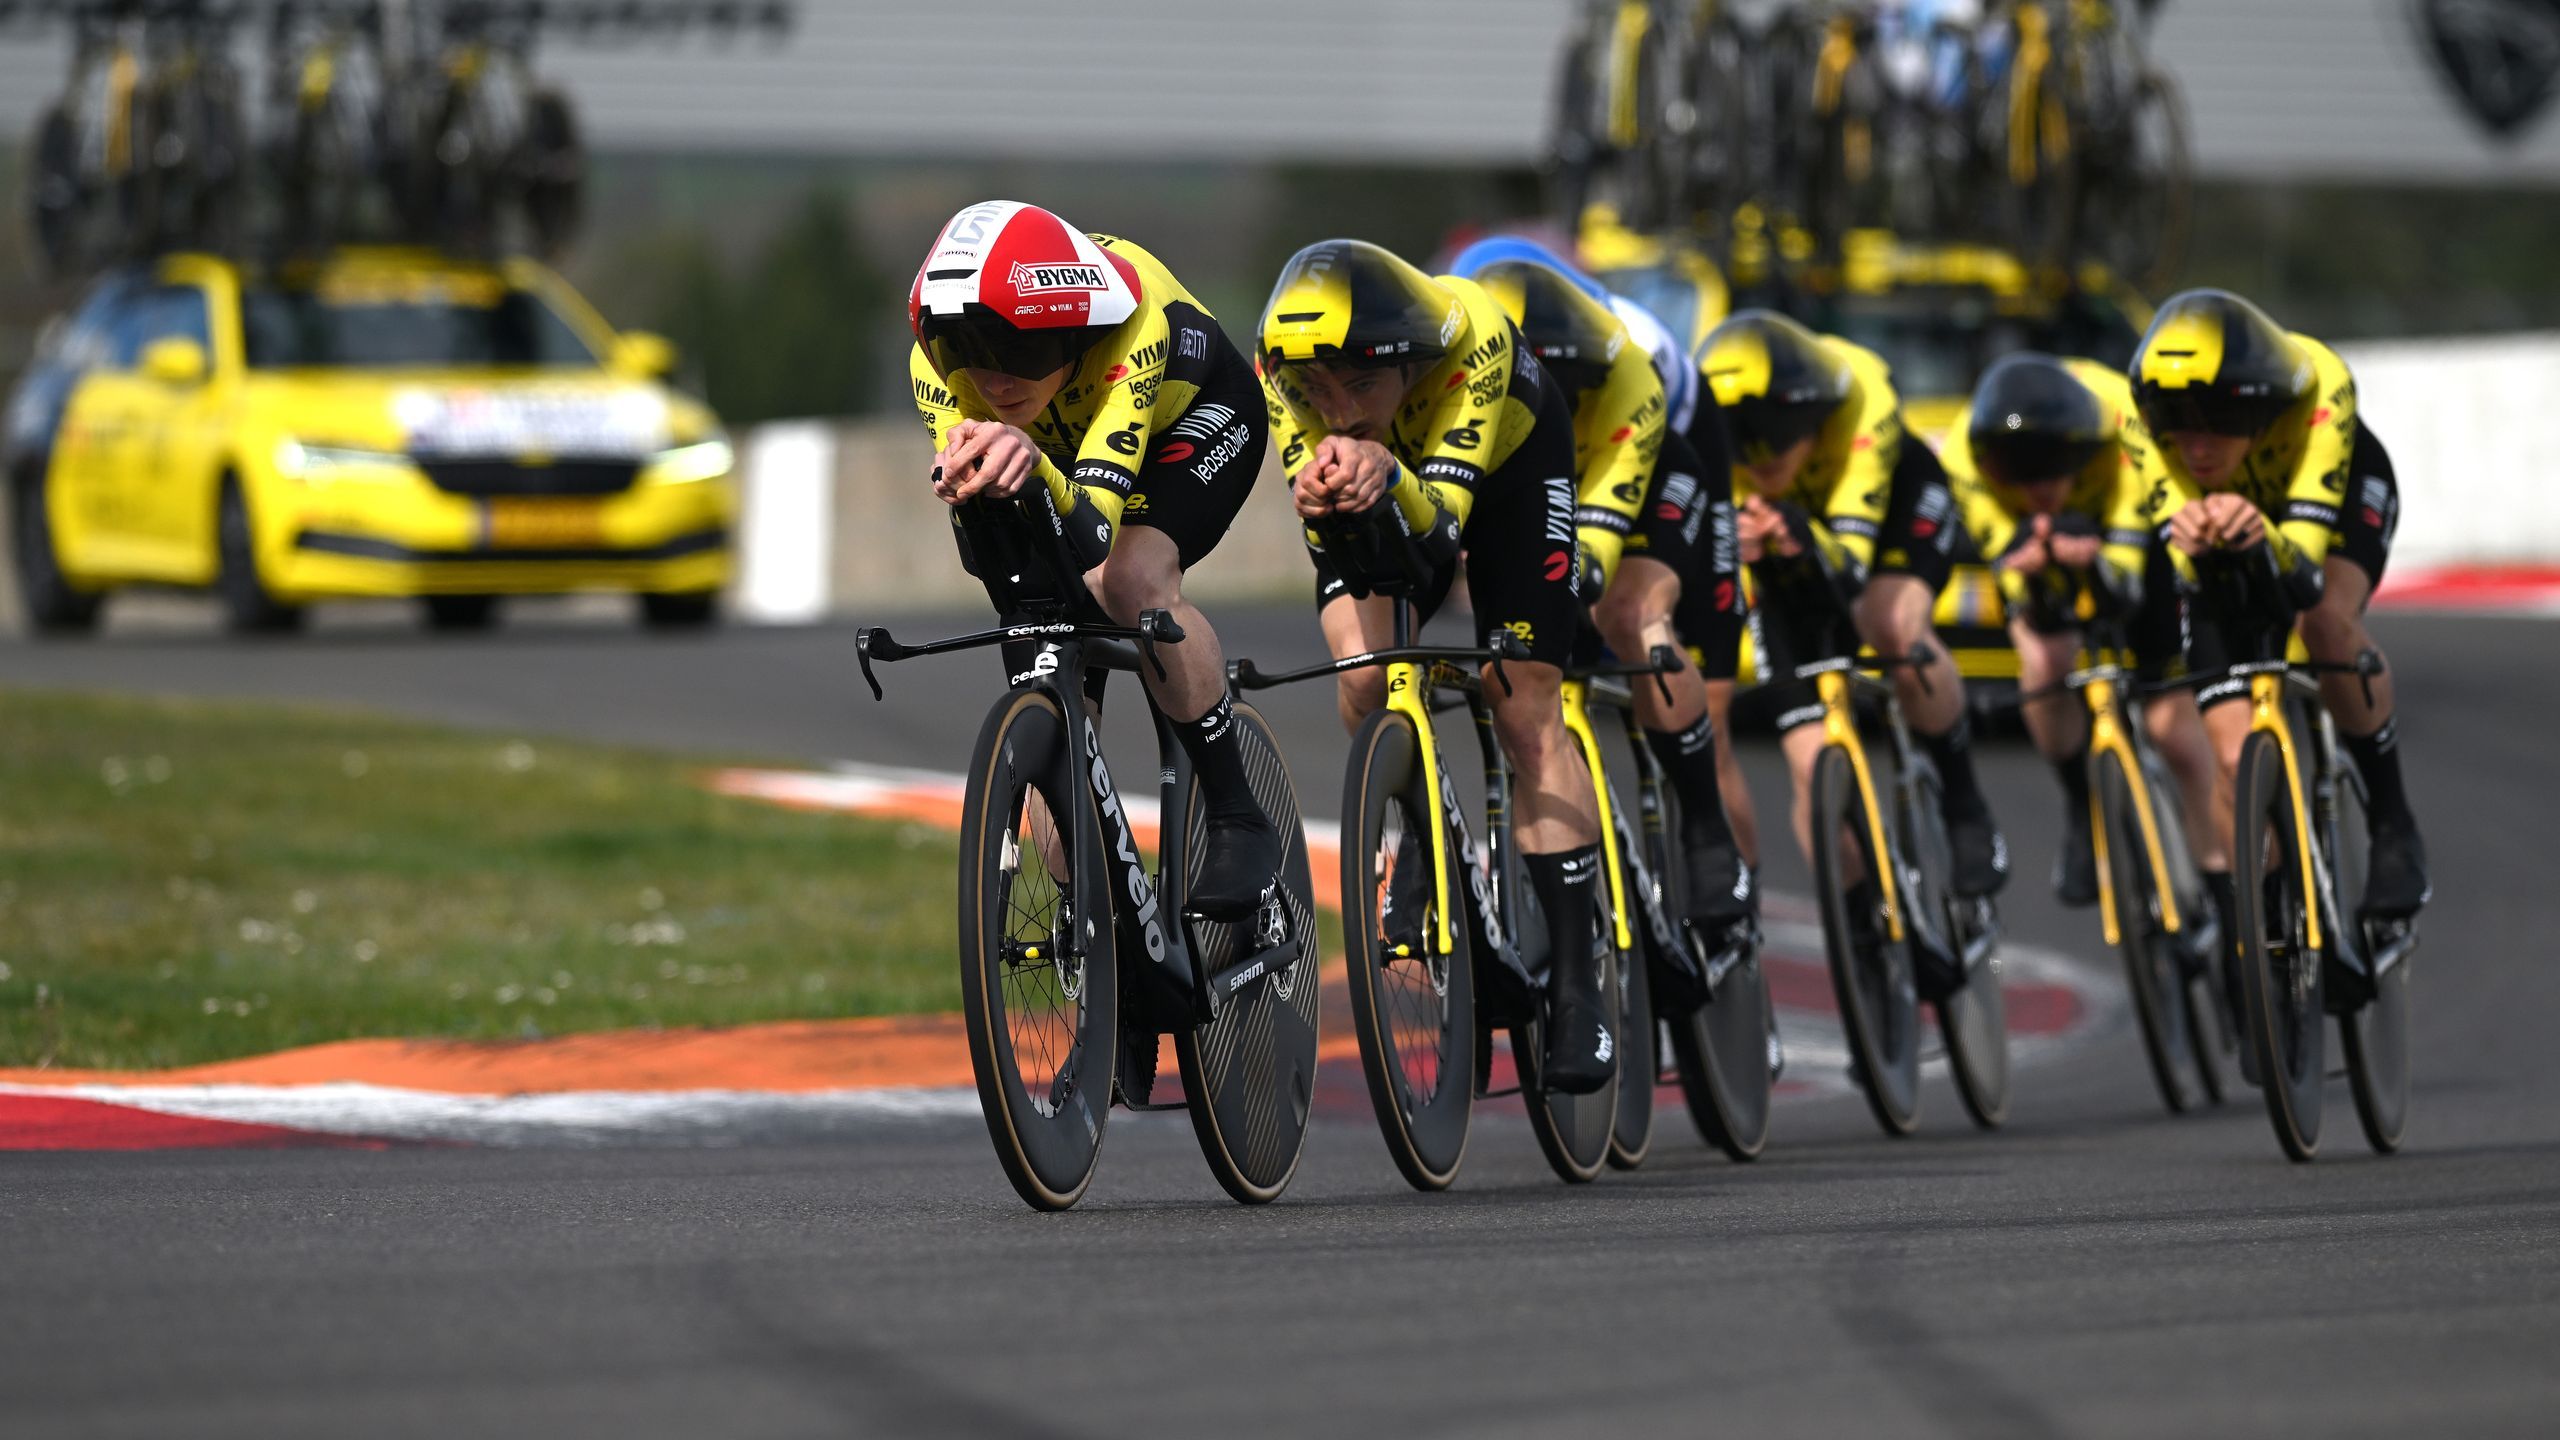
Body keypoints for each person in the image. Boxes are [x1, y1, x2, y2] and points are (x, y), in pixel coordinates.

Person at [1257, 238, 1614, 1094]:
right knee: (1367, 674)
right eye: (1318, 389)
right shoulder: (1284, 372)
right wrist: (1334, 486)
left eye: (1361, 384)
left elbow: (1441, 541)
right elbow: (1350, 548)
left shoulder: (1472, 338)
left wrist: (1381, 470)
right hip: (1397, 478)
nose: (1336, 408)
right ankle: (1418, 831)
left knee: (1526, 709)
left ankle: (1577, 982)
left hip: (1508, 475)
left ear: (1410, 361)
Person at [908, 200, 1278, 917]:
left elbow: (1097, 536)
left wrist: (1035, 464)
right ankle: (1109, 946)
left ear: (1076, 330)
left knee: (1133, 579)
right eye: (967, 351)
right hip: (1061, 444)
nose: (993, 378)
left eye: (1021, 350)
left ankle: (1237, 816)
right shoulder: (931, 360)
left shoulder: (1131, 329)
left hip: (1193, 419)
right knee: (1040, 648)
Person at [1447, 235, 1756, 926]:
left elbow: (1619, 497)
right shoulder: (1453, 355)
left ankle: (1710, 837)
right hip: (1533, 454)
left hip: (1651, 447)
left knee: (1636, 616)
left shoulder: (1627, 343)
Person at [2131, 289, 2429, 918]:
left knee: (2324, 624)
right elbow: (2195, 571)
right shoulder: (2141, 427)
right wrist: (2208, 542)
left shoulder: (2320, 384)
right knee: (2235, 757)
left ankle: (2393, 825)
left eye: (2217, 420)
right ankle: (2260, 923)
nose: (2197, 446)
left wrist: (2258, 533)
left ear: (2260, 407)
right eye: (2176, 423)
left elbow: (2302, 581)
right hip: (2239, 527)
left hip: (2330, 502)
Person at [1699, 309, 2007, 896]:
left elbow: (1850, 570)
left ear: (1815, 412)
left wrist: (1799, 534)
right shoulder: (1712, 444)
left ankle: (1965, 806)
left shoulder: (1861, 393)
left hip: (1890, 513)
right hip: (1788, 547)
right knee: (1809, 770)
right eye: (1742, 435)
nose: (1763, 453)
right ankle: (1861, 926)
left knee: (1891, 624)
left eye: (1779, 430)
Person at [1941, 352, 2228, 915]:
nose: (2038, 486)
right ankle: (2081, 805)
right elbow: (2016, 580)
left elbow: (2127, 581)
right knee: (2045, 663)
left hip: (2126, 535)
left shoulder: (2124, 423)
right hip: (2040, 544)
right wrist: (2030, 564)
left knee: (2174, 729)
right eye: (2017, 473)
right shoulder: (1962, 455)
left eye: (2053, 468)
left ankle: (2225, 888)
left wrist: (2096, 563)